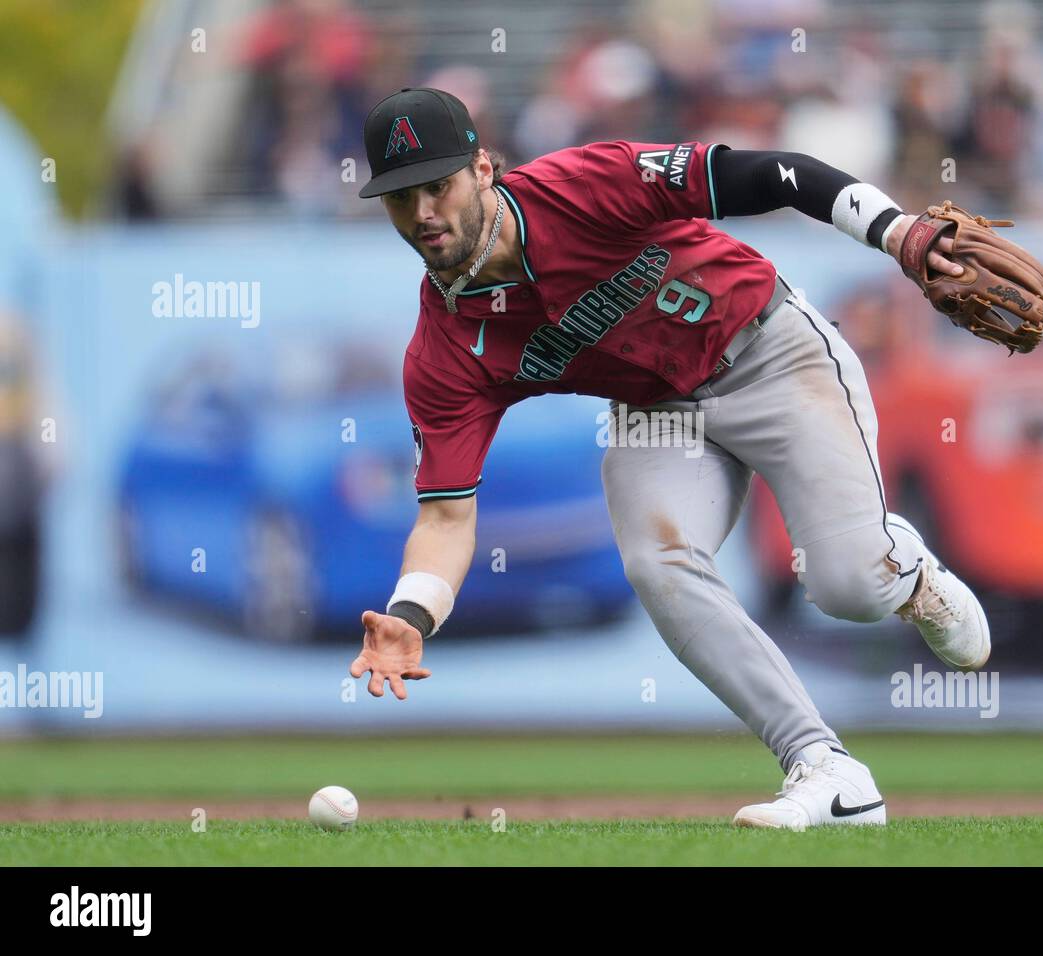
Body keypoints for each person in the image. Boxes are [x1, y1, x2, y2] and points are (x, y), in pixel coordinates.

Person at [348, 88, 989, 830]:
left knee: (849, 588)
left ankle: (900, 569)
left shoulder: (584, 186)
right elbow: (447, 519)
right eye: (402, 197)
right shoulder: (443, 353)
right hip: (660, 415)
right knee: (657, 562)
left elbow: (770, 173)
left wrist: (896, 232)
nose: (424, 212)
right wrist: (409, 618)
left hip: (771, 351)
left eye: (439, 185)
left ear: (483, 169)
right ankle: (825, 767)